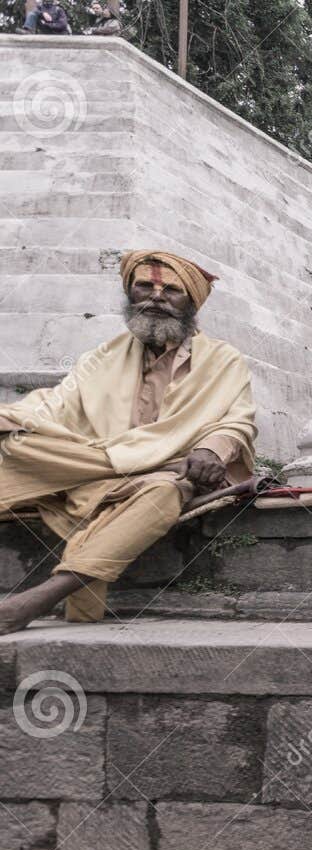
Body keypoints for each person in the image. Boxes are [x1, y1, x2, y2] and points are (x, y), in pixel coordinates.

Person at [0, 251, 256, 631]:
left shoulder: (224, 360)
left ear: (191, 302)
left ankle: (42, 597)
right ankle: (148, 461)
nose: (156, 296)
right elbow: (55, 406)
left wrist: (208, 450)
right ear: (130, 294)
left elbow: (236, 422)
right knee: (15, 442)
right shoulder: (102, 356)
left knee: (167, 492)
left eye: (171, 289)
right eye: (145, 287)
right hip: (96, 474)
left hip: (154, 481)